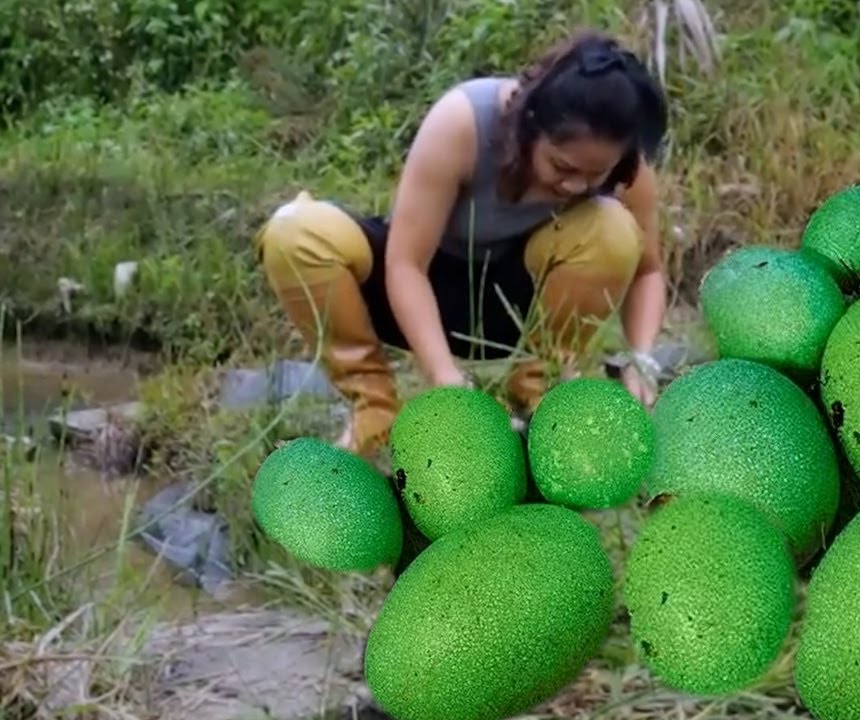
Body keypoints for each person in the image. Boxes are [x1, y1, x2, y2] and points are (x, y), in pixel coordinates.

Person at [251, 30, 670, 459]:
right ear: (528, 123)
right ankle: (374, 408)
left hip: (518, 306)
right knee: (296, 232)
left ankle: (542, 393)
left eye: (593, 174)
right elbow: (406, 264)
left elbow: (648, 270)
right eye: (561, 166)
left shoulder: (623, 165)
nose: (575, 185)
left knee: (613, 228)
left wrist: (641, 360)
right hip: (423, 288)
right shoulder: (465, 120)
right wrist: (444, 377)